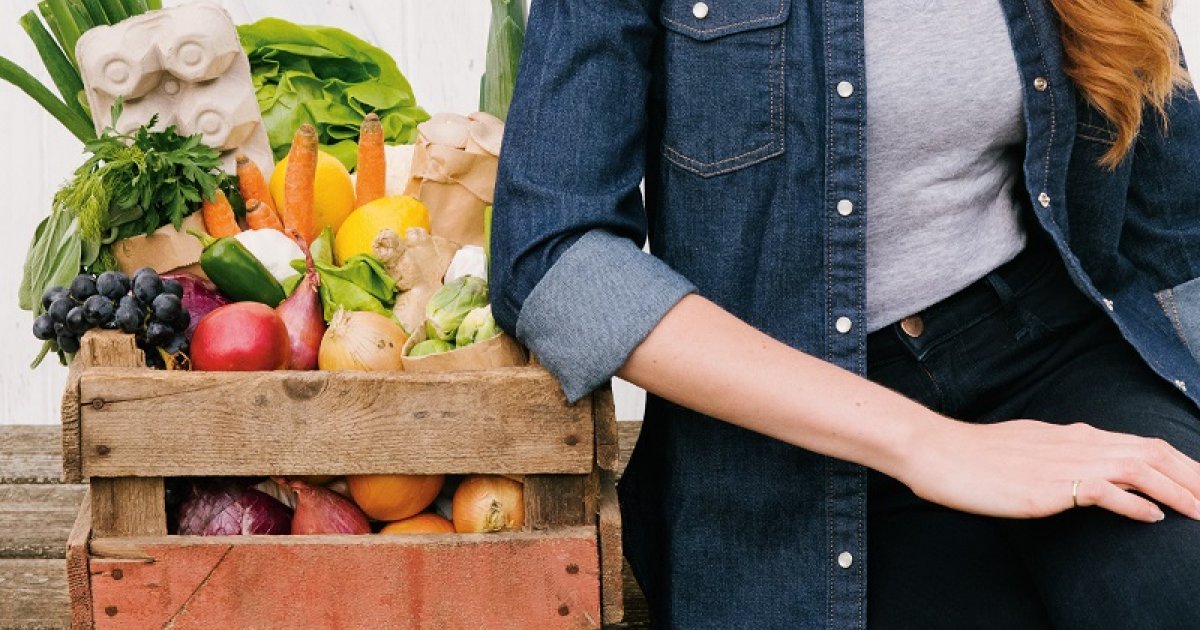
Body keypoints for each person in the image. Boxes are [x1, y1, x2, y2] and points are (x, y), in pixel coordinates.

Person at [489, 0, 1200, 627]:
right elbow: (554, 256)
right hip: (798, 420)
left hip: (1056, 354)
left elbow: (1171, 229)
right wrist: (928, 442)